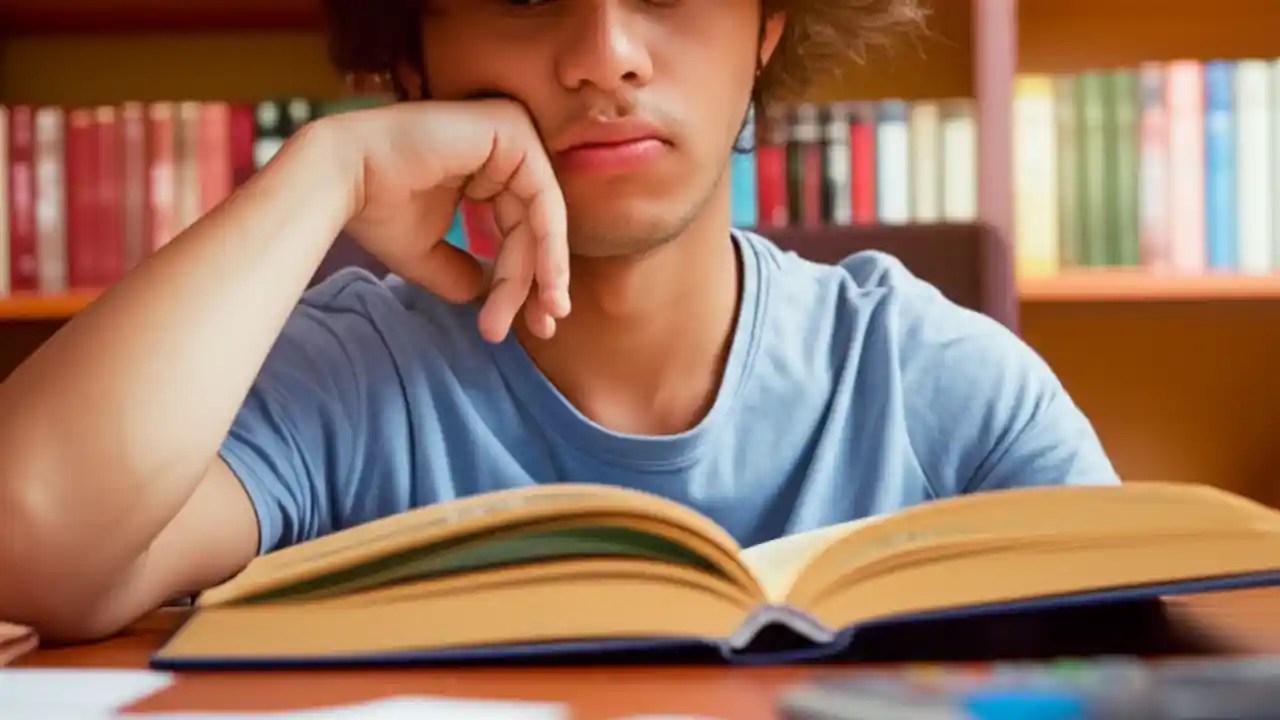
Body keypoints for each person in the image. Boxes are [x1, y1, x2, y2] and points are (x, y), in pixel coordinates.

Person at [0, 0, 1118, 644]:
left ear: (767, 24)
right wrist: (323, 173)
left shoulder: (944, 384)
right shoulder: (339, 380)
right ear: (413, 60)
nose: (605, 56)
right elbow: (24, 551)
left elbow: (1142, 658)